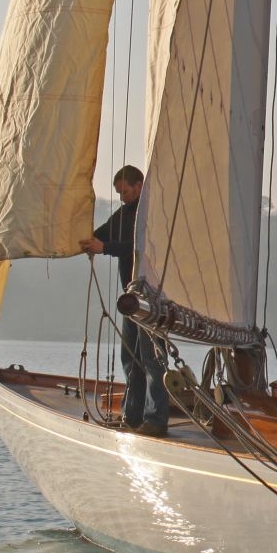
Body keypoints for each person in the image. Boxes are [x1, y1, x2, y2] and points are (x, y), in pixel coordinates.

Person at [78, 165, 171, 437]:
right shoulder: (124, 214)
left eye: (126, 191)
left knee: (153, 361)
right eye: (119, 192)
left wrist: (104, 248)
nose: (122, 197)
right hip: (131, 301)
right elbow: (102, 234)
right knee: (131, 359)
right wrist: (81, 238)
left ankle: (155, 419)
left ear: (139, 185)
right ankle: (132, 416)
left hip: (152, 300)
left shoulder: (150, 214)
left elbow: (141, 247)